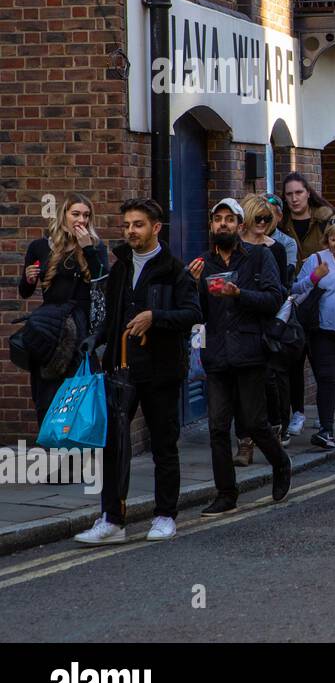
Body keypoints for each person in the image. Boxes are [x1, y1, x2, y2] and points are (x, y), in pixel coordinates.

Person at [75, 198, 202, 546]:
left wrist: (155, 317)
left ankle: (164, 516)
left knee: (164, 445)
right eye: (127, 224)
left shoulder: (174, 270)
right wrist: (95, 340)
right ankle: (112, 520)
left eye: (139, 224)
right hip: (122, 370)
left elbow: (192, 313)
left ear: (155, 228)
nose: (131, 231)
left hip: (161, 371)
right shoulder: (120, 268)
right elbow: (114, 318)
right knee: (112, 447)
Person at [186, 198, 291, 515]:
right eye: (217, 219)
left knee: (255, 424)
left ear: (240, 225)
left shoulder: (259, 257)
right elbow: (197, 314)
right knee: (218, 428)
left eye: (229, 219)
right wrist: (193, 286)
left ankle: (281, 464)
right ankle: (226, 493)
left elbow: (275, 298)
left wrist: (239, 294)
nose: (222, 224)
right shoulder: (204, 263)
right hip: (217, 355)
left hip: (249, 352)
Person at [18, 193, 108, 419]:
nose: (81, 220)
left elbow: (102, 286)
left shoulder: (96, 247)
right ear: (63, 215)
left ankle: (75, 449)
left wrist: (88, 248)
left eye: (86, 215)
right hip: (49, 329)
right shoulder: (40, 247)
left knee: (76, 396)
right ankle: (52, 446)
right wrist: (28, 279)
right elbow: (25, 292)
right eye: (75, 214)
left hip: (78, 328)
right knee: (46, 394)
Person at [293, 218, 335, 449]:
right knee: (327, 378)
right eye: (333, 239)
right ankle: (326, 429)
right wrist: (314, 277)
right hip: (322, 329)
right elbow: (296, 289)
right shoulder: (316, 260)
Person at [237, 193, 294, 453]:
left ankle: (274, 429)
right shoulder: (234, 246)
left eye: (266, 218)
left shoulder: (277, 249)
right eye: (257, 217)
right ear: (247, 218)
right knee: (239, 384)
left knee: (269, 380)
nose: (262, 222)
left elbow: (283, 288)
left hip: (268, 323)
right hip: (240, 323)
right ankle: (244, 442)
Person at [281, 173, 333, 440]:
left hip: (322, 297)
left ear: (308, 192)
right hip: (293, 300)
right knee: (293, 361)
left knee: (321, 361)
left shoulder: (324, 219)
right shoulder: (281, 222)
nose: (294, 199)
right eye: (289, 194)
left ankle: (327, 422)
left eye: (298, 193)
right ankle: (297, 413)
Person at [265, 194, 299, 277]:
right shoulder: (246, 237)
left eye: (270, 216)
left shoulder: (288, 242)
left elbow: (288, 273)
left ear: (279, 217)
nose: (264, 220)